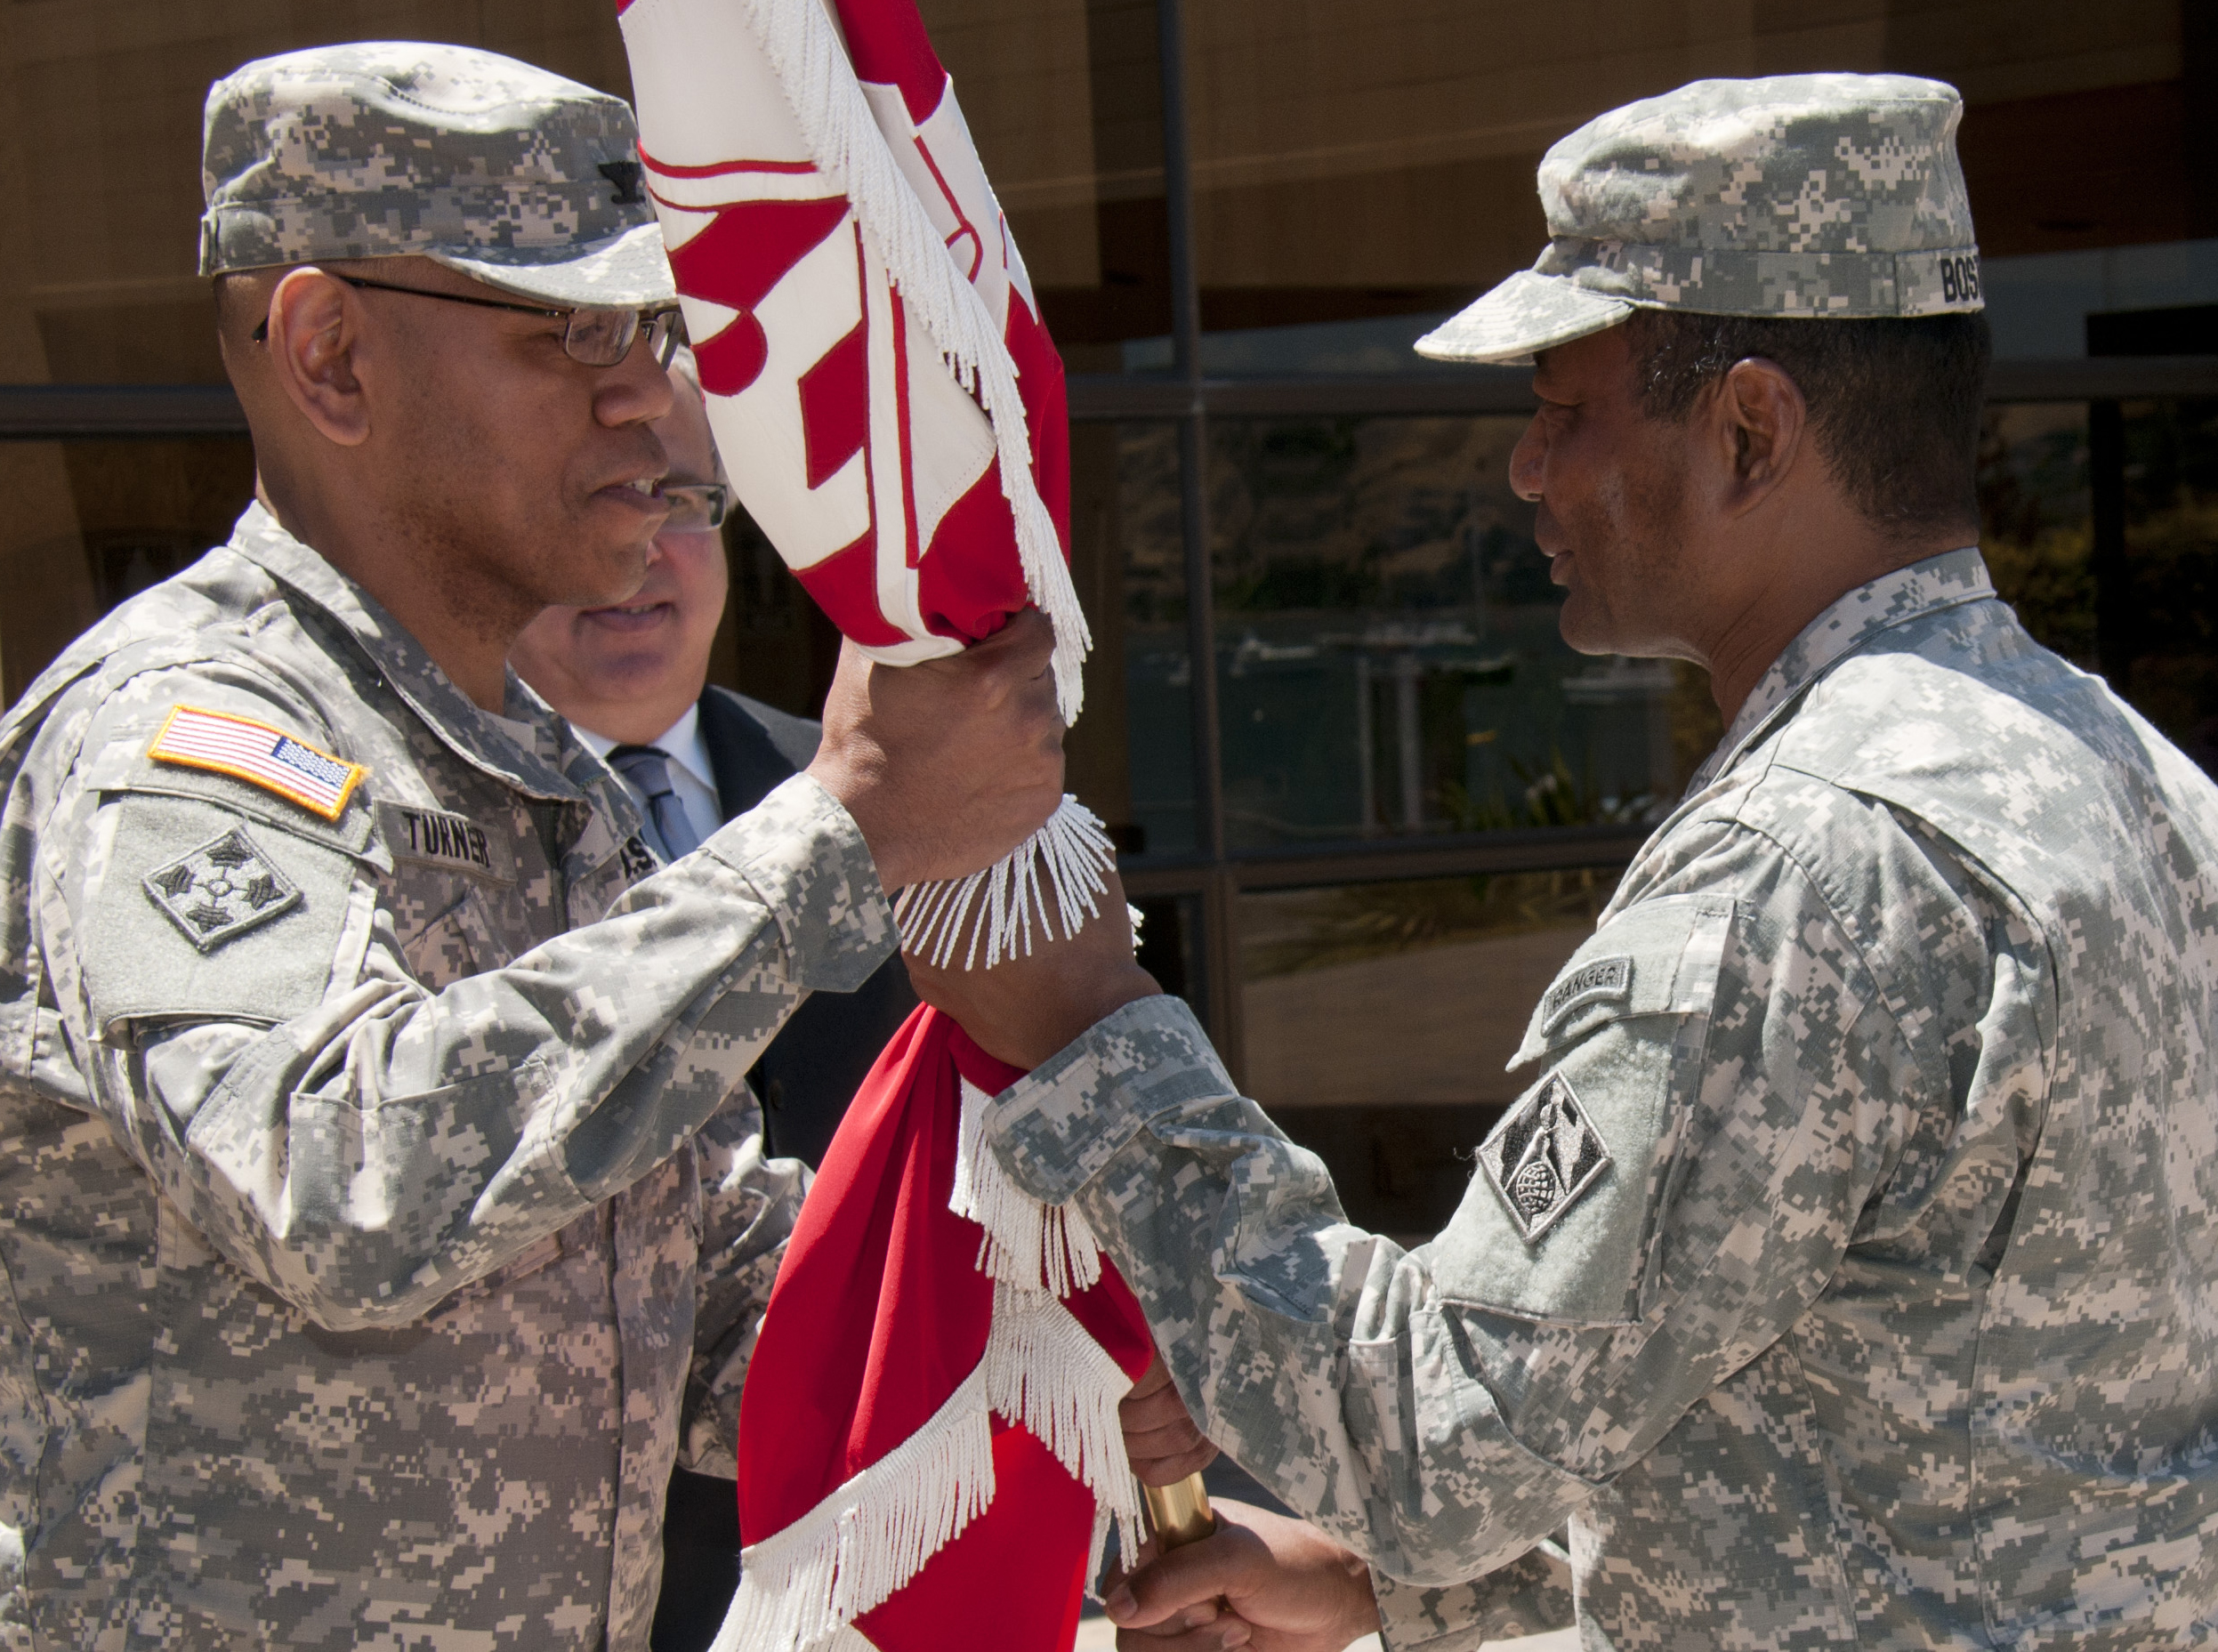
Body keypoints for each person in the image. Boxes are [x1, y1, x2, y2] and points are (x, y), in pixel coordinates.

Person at [912, 73, 2218, 1651]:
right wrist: (1373, 1587)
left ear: (1748, 426)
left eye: (1562, 406)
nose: (1528, 468)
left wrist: (1085, 1028)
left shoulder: (1803, 868)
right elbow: (1908, 1422)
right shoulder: (2138, 781)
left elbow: (1426, 1434)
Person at [0, 43, 1063, 1650]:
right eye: (568, 331)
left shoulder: (545, 774)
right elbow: (338, 1180)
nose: (645, 391)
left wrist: (1040, 1343)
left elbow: (679, 1287)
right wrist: (834, 837)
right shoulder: (180, 738)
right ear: (332, 354)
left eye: (652, 329)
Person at [509, 350, 918, 1649]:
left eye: (685, 501)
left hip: (884, 1527)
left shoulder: (893, 795)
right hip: (571, 1565)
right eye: (605, 500)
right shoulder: (418, 831)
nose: (647, 548)